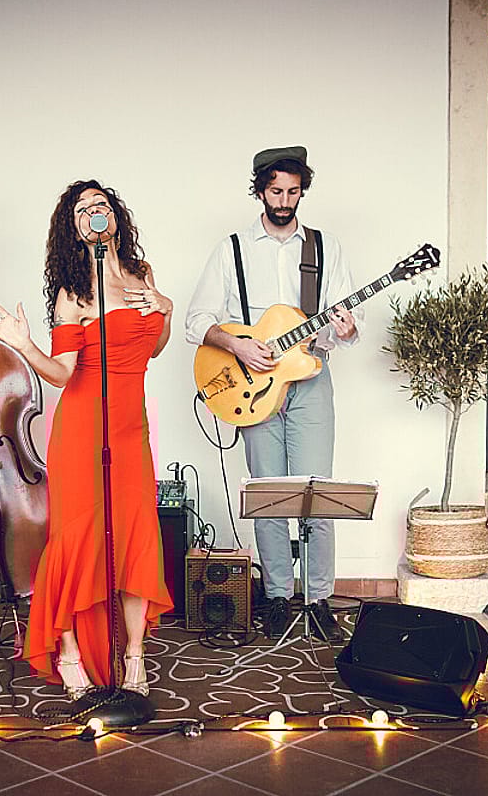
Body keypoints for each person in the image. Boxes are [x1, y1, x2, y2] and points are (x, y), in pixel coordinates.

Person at [0, 180, 173, 698]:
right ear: (73, 225)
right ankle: (67, 653)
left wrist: (166, 307)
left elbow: (154, 347)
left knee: (135, 535)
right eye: (83, 208)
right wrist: (23, 345)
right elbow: (62, 374)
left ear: (115, 217)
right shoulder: (74, 293)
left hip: (132, 428)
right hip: (83, 426)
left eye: (102, 204)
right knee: (77, 538)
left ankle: (134, 658)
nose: (95, 212)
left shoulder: (141, 275)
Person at [184, 146, 360, 641]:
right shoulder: (233, 248)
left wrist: (344, 327)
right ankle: (279, 596)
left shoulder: (325, 248)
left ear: (303, 190)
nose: (284, 200)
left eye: (293, 191)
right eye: (276, 191)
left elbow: (349, 326)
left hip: (310, 382)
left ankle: (319, 597)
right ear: (260, 190)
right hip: (254, 388)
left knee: (317, 496)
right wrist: (236, 344)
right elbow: (197, 321)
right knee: (268, 497)